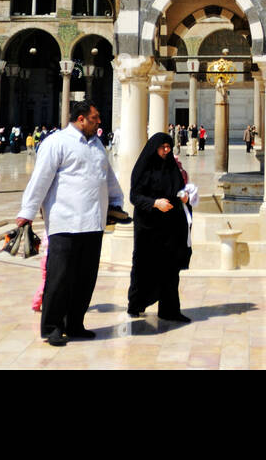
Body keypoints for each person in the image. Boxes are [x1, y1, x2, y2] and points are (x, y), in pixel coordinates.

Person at [16, 102, 125, 346]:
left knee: (85, 278)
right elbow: (41, 179)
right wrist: (27, 212)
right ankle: (52, 326)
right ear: (80, 118)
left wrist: (116, 202)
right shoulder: (57, 142)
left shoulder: (97, 145)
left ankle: (75, 323)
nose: (99, 122)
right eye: (94, 118)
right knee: (60, 277)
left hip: (93, 221)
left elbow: (107, 178)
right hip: (65, 222)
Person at [127, 132, 193, 321]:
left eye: (169, 146)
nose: (167, 150)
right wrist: (155, 203)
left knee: (170, 268)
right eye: (163, 147)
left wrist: (184, 197)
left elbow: (178, 189)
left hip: (169, 226)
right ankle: (136, 304)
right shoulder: (143, 168)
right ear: (154, 147)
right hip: (148, 226)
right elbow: (135, 197)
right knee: (143, 266)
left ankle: (170, 309)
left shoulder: (172, 168)